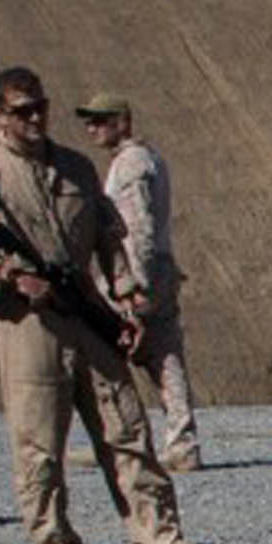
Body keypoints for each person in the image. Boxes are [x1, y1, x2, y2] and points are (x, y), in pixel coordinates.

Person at [0, 64, 206, 544]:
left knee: (126, 428)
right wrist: (6, 273)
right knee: (39, 441)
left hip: (85, 307)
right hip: (30, 320)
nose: (34, 117)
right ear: (0, 115)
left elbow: (109, 236)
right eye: (21, 110)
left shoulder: (77, 169)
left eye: (40, 106)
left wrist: (125, 295)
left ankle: (160, 540)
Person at [73, 92, 201, 475]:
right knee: (165, 356)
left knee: (102, 348)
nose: (92, 128)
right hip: (159, 268)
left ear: (122, 121)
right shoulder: (149, 159)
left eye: (101, 120)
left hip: (138, 271)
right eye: (90, 121)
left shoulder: (130, 166)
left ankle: (121, 441)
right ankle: (182, 443)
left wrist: (133, 286)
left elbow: (137, 228)